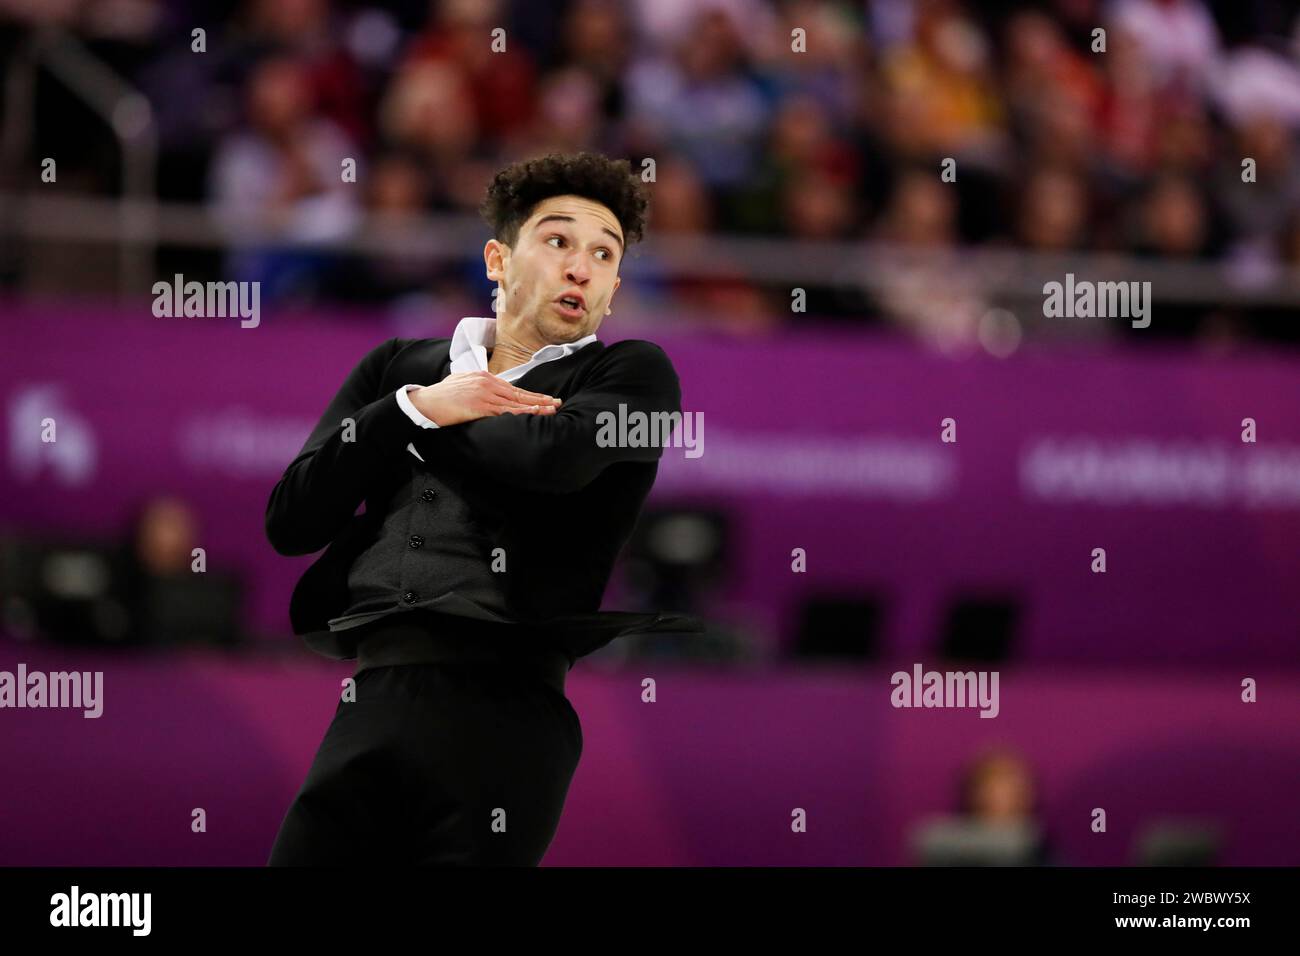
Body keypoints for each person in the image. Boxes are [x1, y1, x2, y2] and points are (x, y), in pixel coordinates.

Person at [264, 152, 700, 866]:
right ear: (498, 258)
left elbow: (551, 460)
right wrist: (417, 404)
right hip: (371, 694)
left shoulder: (634, 373)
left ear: (615, 288)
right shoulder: (397, 369)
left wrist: (412, 425)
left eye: (603, 254)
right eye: (559, 241)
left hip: (508, 710)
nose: (581, 267)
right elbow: (293, 519)